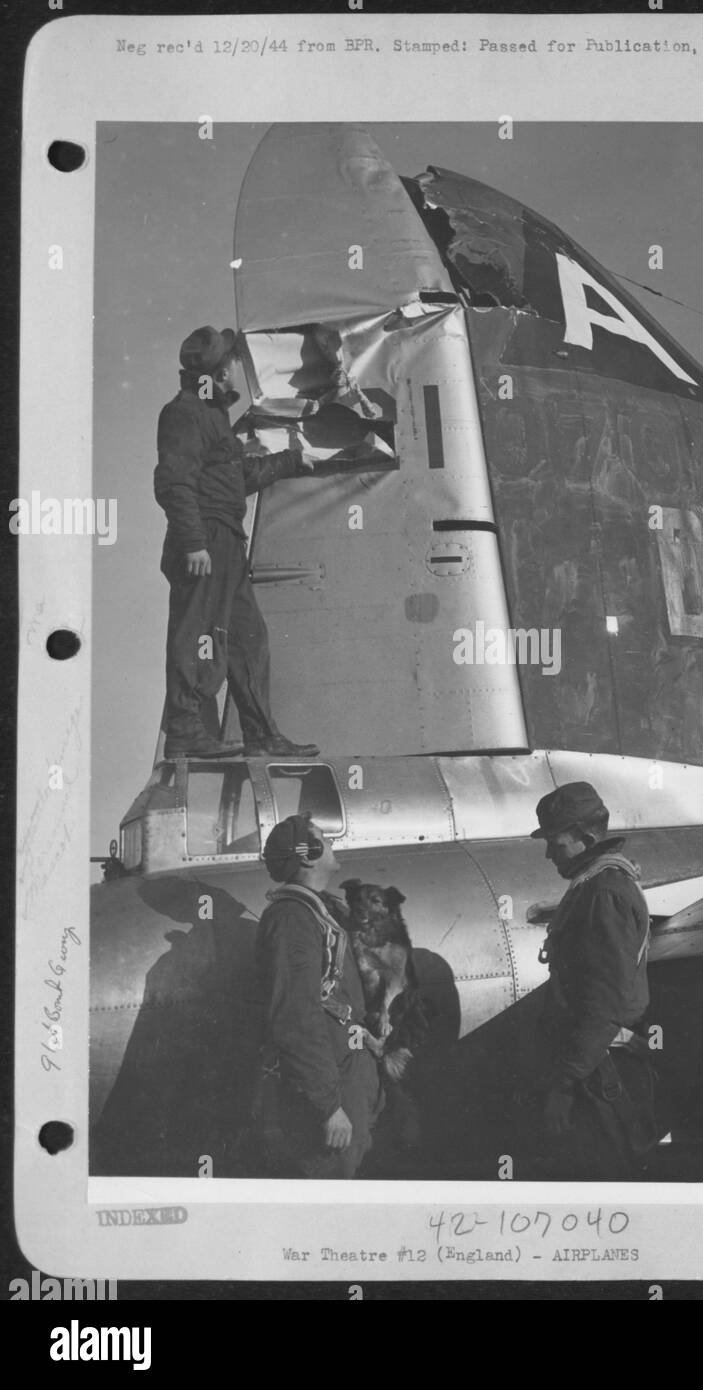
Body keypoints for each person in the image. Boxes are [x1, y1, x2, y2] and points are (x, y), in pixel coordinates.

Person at [155, 325, 320, 759]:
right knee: (201, 634)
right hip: (205, 539)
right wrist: (194, 543)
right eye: (233, 360)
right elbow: (173, 482)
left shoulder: (212, 417)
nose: (238, 366)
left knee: (248, 638)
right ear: (220, 371)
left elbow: (235, 480)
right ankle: (186, 731)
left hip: (225, 538)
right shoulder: (186, 413)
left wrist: (290, 461)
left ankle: (262, 736)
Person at [523, 781, 657, 1179]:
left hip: (600, 1073)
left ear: (583, 838)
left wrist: (564, 1086)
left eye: (556, 843)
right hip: (595, 1066)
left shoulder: (603, 893)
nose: (549, 853)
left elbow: (604, 1005)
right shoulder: (596, 886)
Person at [255, 814, 382, 1178]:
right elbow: (296, 1016)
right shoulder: (292, 919)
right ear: (308, 854)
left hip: (348, 1072)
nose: (331, 843)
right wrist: (328, 1106)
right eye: (323, 838)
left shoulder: (319, 910)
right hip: (331, 1087)